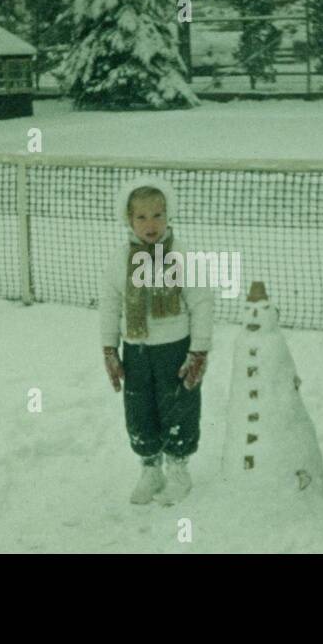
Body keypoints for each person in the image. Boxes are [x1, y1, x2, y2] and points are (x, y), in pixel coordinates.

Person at [99, 176, 214, 505]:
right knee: (139, 408)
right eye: (141, 217)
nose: (151, 224)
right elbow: (109, 304)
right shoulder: (121, 260)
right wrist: (110, 348)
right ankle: (150, 468)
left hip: (175, 349)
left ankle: (179, 469)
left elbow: (201, 303)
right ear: (129, 219)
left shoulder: (181, 256)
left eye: (158, 215)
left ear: (169, 215)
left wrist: (199, 351)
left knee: (179, 406)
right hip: (135, 351)